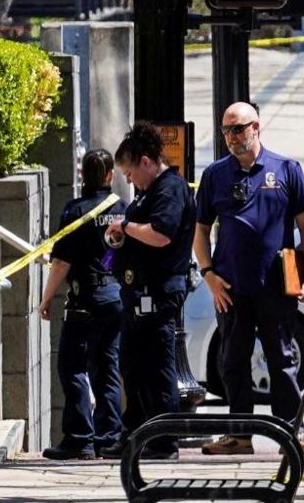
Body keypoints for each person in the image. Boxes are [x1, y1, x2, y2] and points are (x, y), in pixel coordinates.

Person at [194, 102, 304, 455]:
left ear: (256, 127)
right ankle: (238, 435)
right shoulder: (215, 175)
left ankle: (291, 433)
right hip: (231, 287)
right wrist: (209, 275)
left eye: (238, 129)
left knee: (282, 360)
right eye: (225, 131)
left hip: (276, 285)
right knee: (232, 362)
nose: (232, 138)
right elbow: (200, 231)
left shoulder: (286, 169)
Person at [98, 121, 196, 460]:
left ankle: (163, 439)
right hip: (136, 293)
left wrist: (125, 225)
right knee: (133, 366)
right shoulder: (149, 193)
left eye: (129, 172)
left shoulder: (170, 190)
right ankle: (137, 434)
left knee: (157, 367)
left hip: (157, 293)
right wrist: (119, 237)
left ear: (145, 161)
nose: (128, 180)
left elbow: (161, 234)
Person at [39, 149, 127, 460]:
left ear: (81, 176)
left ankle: (79, 439)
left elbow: (61, 261)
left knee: (72, 366)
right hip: (116, 298)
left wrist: (46, 298)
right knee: (107, 367)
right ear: (109, 176)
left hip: (85, 300)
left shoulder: (75, 211)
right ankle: (109, 437)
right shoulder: (121, 208)